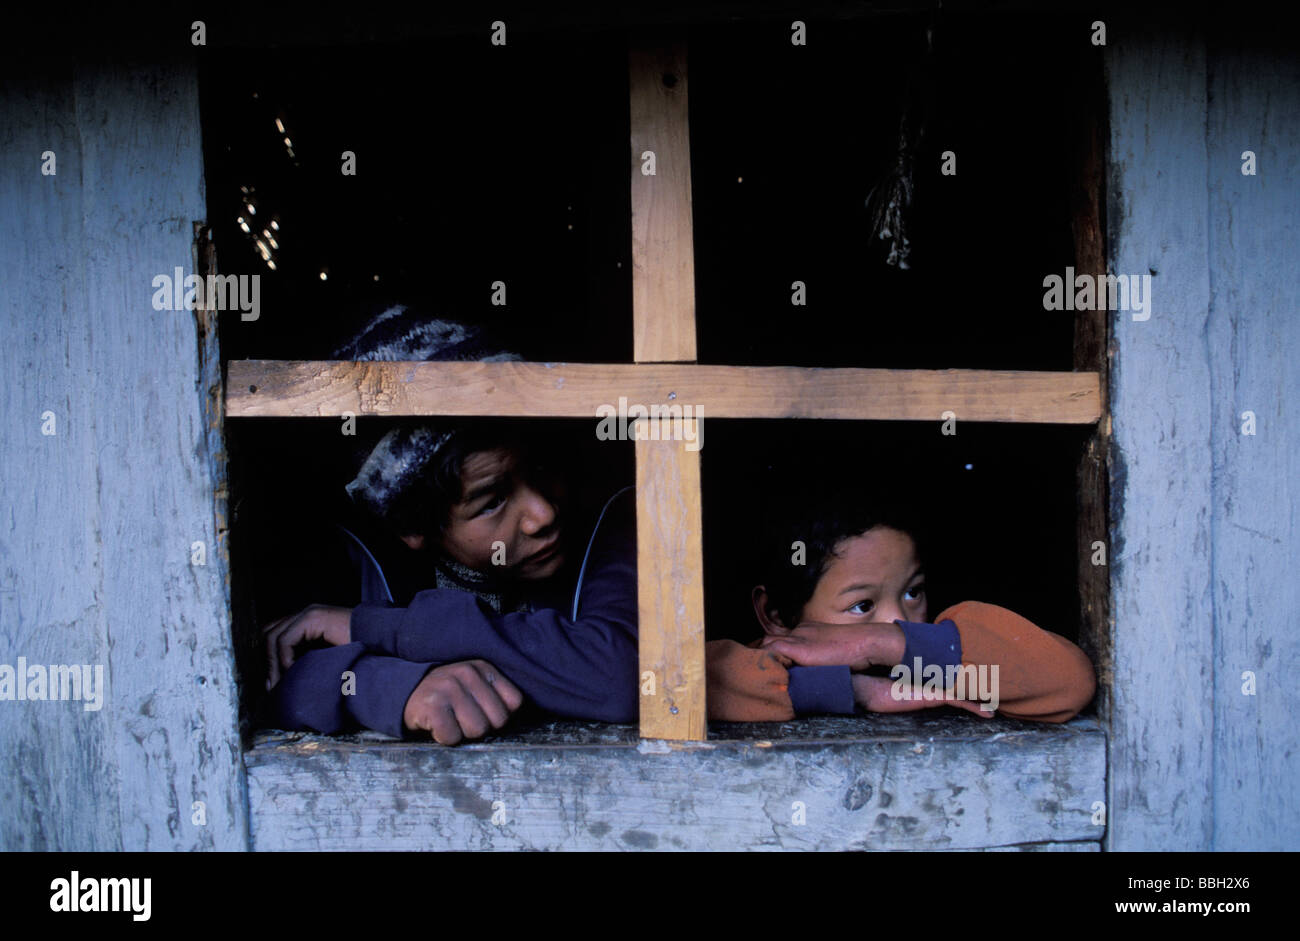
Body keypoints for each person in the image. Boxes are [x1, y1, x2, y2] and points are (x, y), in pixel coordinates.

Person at [260, 308, 637, 744]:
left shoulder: (608, 523)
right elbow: (267, 681)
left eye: (539, 468)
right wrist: (389, 687)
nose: (543, 514)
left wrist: (380, 629)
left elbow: (621, 676)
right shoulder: (355, 558)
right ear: (413, 527)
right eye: (492, 500)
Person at [705, 479, 1096, 723]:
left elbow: (1068, 682)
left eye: (913, 592)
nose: (897, 620)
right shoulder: (765, 663)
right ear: (775, 616)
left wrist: (878, 643)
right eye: (862, 606)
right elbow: (685, 683)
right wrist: (858, 690)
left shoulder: (943, 664)